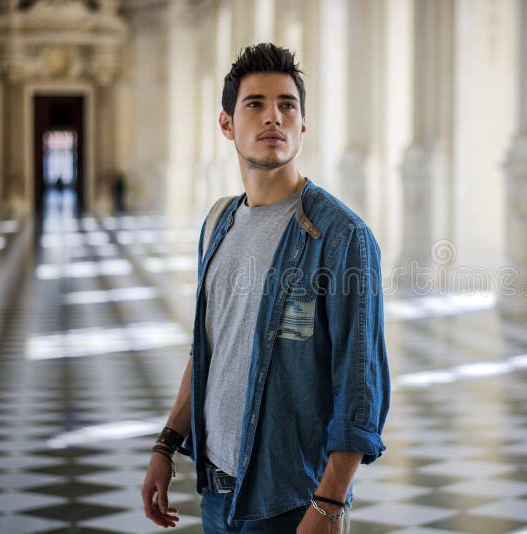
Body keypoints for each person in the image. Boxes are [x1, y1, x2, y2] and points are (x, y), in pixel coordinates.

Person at [141, 42, 390, 533]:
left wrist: (329, 504)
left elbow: (360, 383)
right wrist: (166, 445)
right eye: (255, 104)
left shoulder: (340, 235)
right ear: (227, 124)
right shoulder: (218, 221)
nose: (273, 116)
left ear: (303, 124)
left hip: (291, 499)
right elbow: (207, 348)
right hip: (216, 492)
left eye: (287, 105)